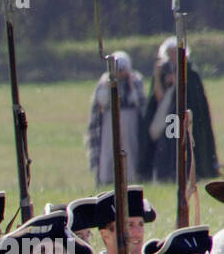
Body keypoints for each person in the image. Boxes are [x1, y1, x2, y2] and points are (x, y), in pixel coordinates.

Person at [140, 37, 219, 184]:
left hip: (185, 116)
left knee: (186, 144)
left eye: (174, 53)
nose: (171, 57)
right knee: (170, 144)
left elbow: (191, 98)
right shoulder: (163, 71)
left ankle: (189, 172)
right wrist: (158, 77)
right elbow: (158, 98)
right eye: (169, 54)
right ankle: (169, 173)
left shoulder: (191, 73)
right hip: (169, 117)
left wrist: (178, 81)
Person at [87, 51, 146, 186]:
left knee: (130, 150)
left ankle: (131, 178)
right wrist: (110, 82)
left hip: (130, 119)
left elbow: (137, 100)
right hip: (110, 118)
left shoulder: (136, 79)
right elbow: (102, 101)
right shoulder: (104, 80)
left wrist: (129, 81)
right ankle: (106, 179)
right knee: (109, 150)